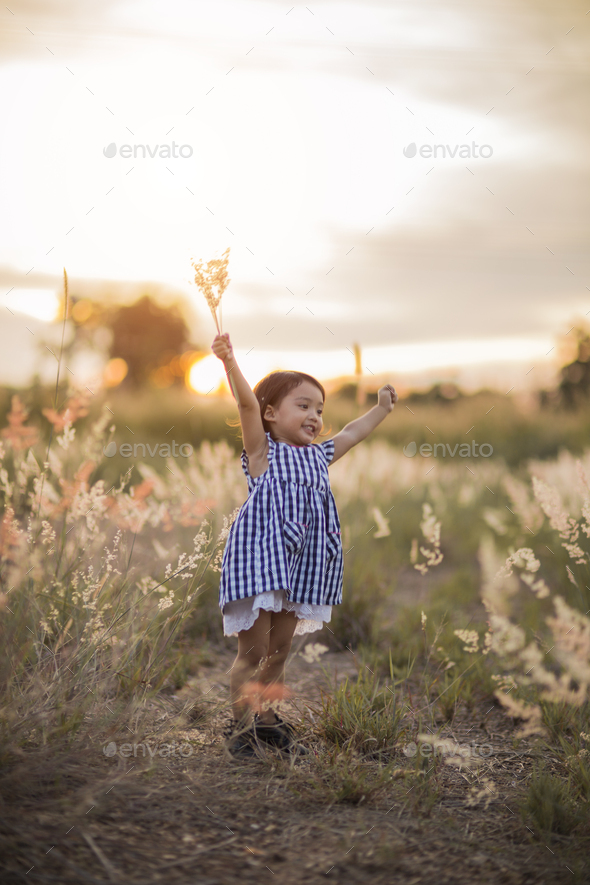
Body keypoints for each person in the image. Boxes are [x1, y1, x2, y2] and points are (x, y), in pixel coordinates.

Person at [211, 331, 398, 758]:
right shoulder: (262, 452)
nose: (315, 415)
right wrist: (229, 362)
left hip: (301, 566)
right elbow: (244, 403)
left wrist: (381, 409)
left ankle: (268, 719)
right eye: (303, 406)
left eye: (319, 408)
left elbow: (354, 432)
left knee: (278, 651)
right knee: (254, 650)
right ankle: (241, 728)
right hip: (261, 562)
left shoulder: (319, 455)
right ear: (271, 413)